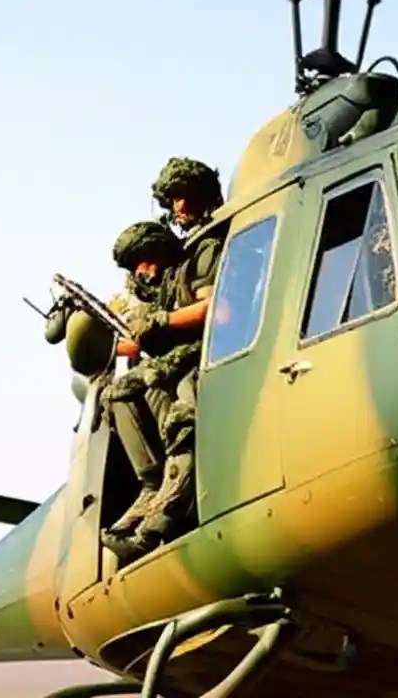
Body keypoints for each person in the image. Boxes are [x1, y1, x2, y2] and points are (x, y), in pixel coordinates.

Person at [100, 157, 227, 559]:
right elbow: (140, 340)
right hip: (172, 360)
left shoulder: (207, 248)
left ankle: (169, 510)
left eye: (181, 198)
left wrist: (161, 321)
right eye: (171, 202)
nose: (178, 210)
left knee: (180, 413)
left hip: (204, 357)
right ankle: (152, 486)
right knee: (117, 394)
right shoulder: (178, 262)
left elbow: (215, 310)